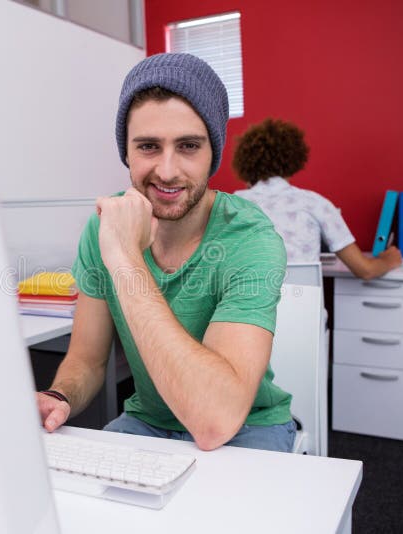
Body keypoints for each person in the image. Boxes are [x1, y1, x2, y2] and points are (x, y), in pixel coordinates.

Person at [36, 53, 295, 453]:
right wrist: (60, 396)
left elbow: (214, 421)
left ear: (214, 153)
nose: (168, 170)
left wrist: (125, 259)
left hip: (243, 425)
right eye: (148, 146)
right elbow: (87, 360)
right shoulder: (103, 228)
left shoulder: (250, 239)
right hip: (148, 422)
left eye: (189, 146)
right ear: (127, 151)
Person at [233, 118, 402, 279]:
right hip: (304, 308)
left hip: (247, 307)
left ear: (246, 164)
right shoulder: (315, 203)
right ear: (293, 161)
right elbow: (365, 270)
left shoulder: (230, 205)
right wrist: (389, 260)